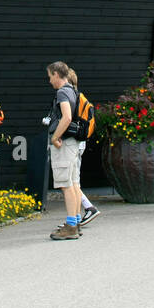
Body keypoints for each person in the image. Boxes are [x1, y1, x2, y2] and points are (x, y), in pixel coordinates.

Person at [46, 62, 83, 240]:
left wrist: (55, 137)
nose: (49, 80)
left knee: (66, 185)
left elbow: (67, 117)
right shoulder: (72, 90)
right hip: (73, 144)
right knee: (74, 183)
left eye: (50, 76)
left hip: (64, 143)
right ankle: (75, 221)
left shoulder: (62, 92)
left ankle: (70, 227)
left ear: (56, 74)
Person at [65, 69, 100, 226]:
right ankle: (79, 214)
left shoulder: (72, 99)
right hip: (80, 142)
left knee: (71, 181)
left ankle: (87, 209)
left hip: (74, 143)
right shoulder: (80, 97)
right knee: (74, 180)